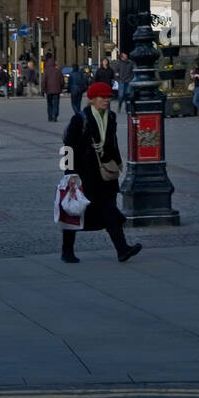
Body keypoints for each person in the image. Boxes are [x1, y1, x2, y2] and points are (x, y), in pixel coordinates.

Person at [60, 82, 142, 264]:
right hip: (84, 175)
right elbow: (68, 148)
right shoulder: (80, 119)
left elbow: (112, 143)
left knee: (110, 210)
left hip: (106, 176)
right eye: (101, 97)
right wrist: (69, 174)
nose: (106, 100)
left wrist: (117, 165)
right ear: (92, 99)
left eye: (108, 97)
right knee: (75, 211)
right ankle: (67, 251)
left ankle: (122, 249)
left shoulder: (111, 117)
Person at [41, 54, 63, 122]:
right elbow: (61, 80)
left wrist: (43, 89)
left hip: (49, 90)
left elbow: (44, 81)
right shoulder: (58, 70)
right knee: (56, 104)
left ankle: (50, 116)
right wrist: (61, 88)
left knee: (49, 104)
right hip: (57, 90)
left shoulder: (46, 70)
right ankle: (55, 116)